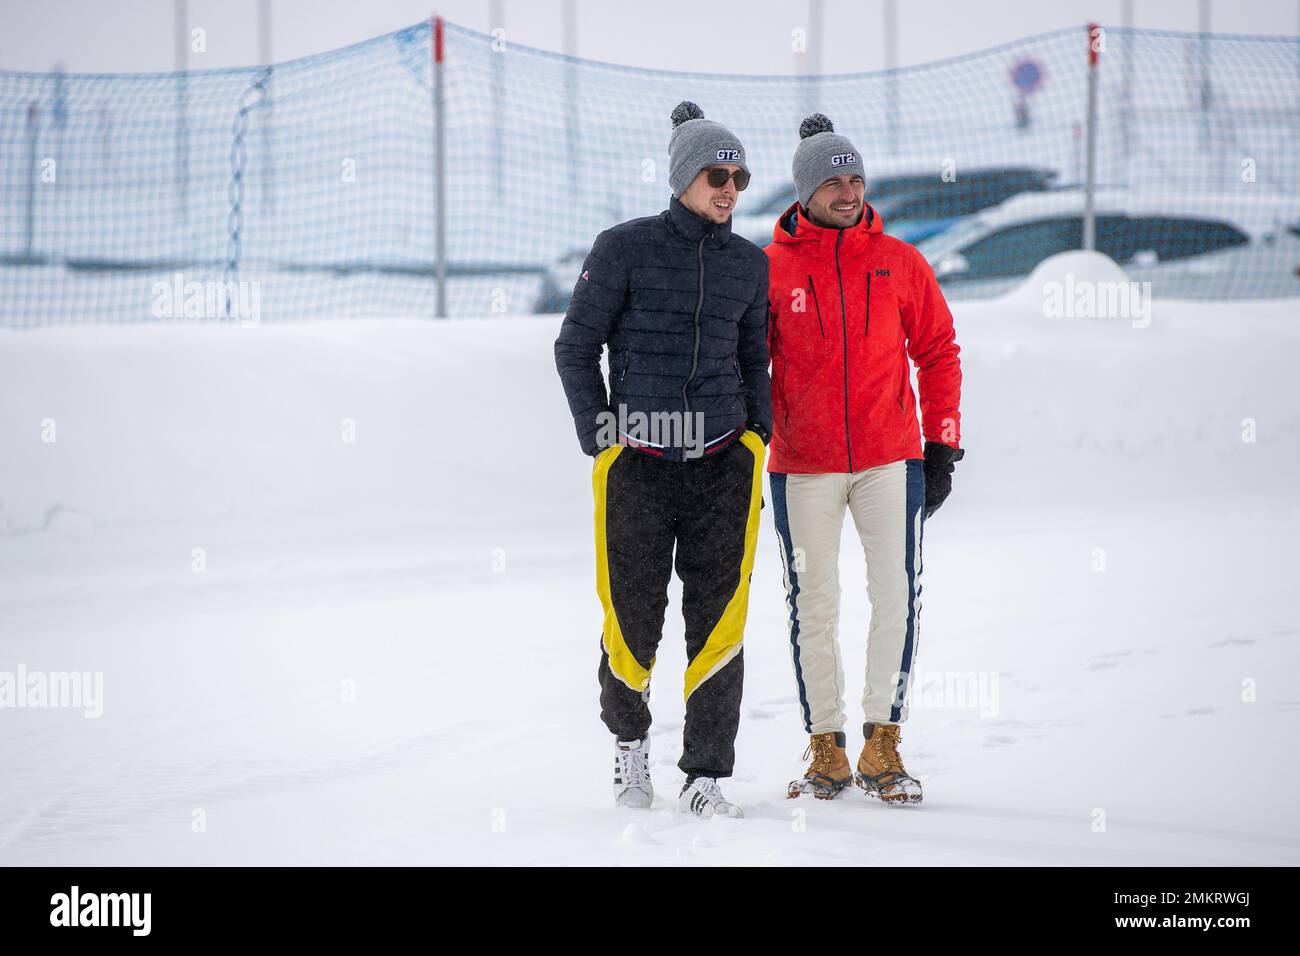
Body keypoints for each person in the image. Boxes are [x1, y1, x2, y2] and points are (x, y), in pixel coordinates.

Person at [554, 101, 771, 818]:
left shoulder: (748, 264)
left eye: (739, 177)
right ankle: (629, 748)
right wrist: (600, 433)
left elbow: (752, 358)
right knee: (630, 617)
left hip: (721, 467)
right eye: (718, 174)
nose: (730, 189)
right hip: (637, 465)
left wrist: (755, 434)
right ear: (683, 177)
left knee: (720, 621)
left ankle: (706, 777)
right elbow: (575, 348)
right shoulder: (622, 249)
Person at [765, 114, 964, 805]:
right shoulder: (770, 267)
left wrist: (941, 445)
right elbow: (743, 364)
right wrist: (750, 441)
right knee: (811, 604)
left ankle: (885, 743)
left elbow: (938, 350)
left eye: (856, 178)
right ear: (806, 191)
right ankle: (826, 750)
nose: (849, 192)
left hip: (890, 459)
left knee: (896, 597)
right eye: (834, 181)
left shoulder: (901, 261)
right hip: (802, 464)